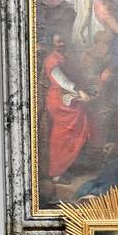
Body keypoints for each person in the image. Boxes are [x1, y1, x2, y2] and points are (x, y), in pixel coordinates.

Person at [42, 34, 92, 181]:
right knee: (62, 133)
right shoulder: (52, 60)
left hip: (68, 98)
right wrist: (80, 91)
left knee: (77, 127)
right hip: (59, 101)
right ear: (52, 43)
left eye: (63, 40)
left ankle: (69, 166)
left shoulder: (65, 57)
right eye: (58, 41)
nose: (62, 43)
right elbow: (62, 81)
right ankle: (57, 172)